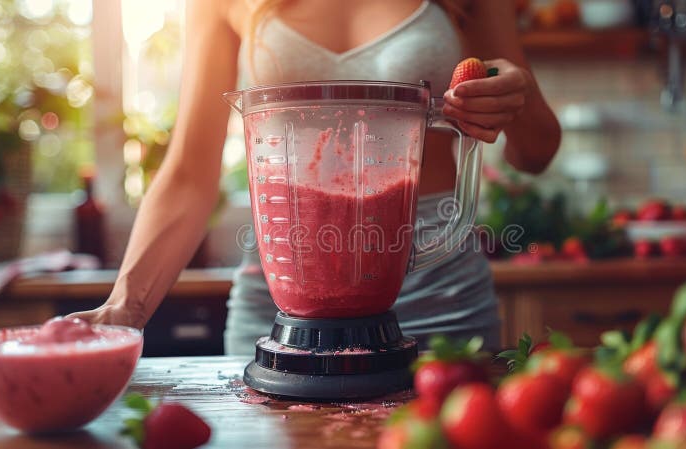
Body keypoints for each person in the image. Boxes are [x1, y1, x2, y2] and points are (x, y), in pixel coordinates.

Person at [69, 0, 561, 353]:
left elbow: (535, 153)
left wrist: (509, 92)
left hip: (439, 289)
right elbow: (189, 173)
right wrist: (125, 307)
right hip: (284, 291)